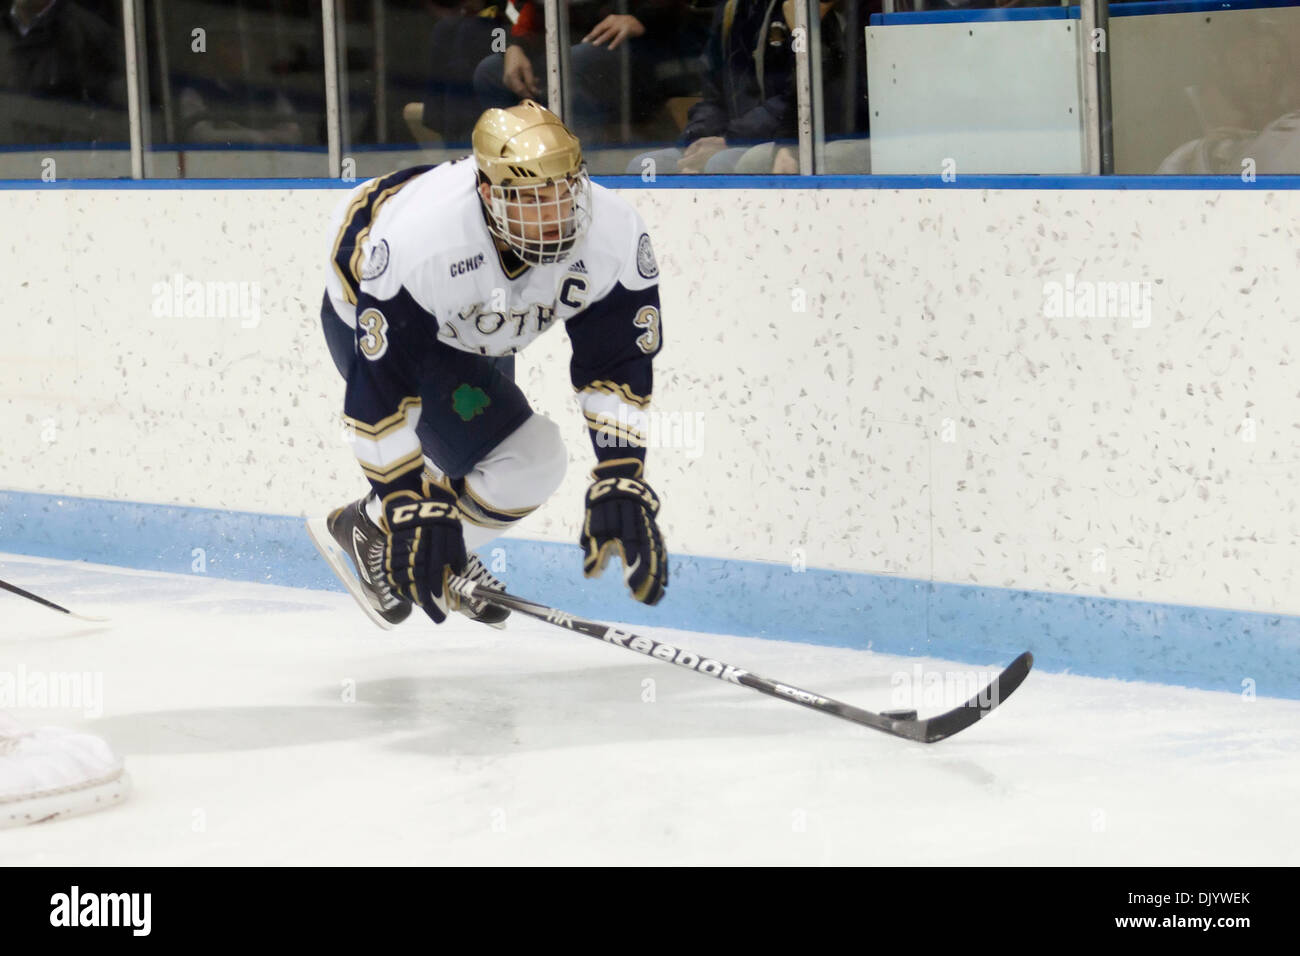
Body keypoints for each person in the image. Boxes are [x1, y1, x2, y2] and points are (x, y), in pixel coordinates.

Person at [310, 100, 668, 630]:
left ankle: (431, 540)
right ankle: (373, 531)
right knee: (528, 461)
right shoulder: (423, 244)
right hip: (379, 314)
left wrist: (620, 471)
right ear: (488, 194)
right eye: (531, 199)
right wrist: (406, 505)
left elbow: (617, 365)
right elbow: (381, 399)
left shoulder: (614, 232)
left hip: (483, 323)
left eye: (564, 190)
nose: (555, 215)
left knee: (471, 459)